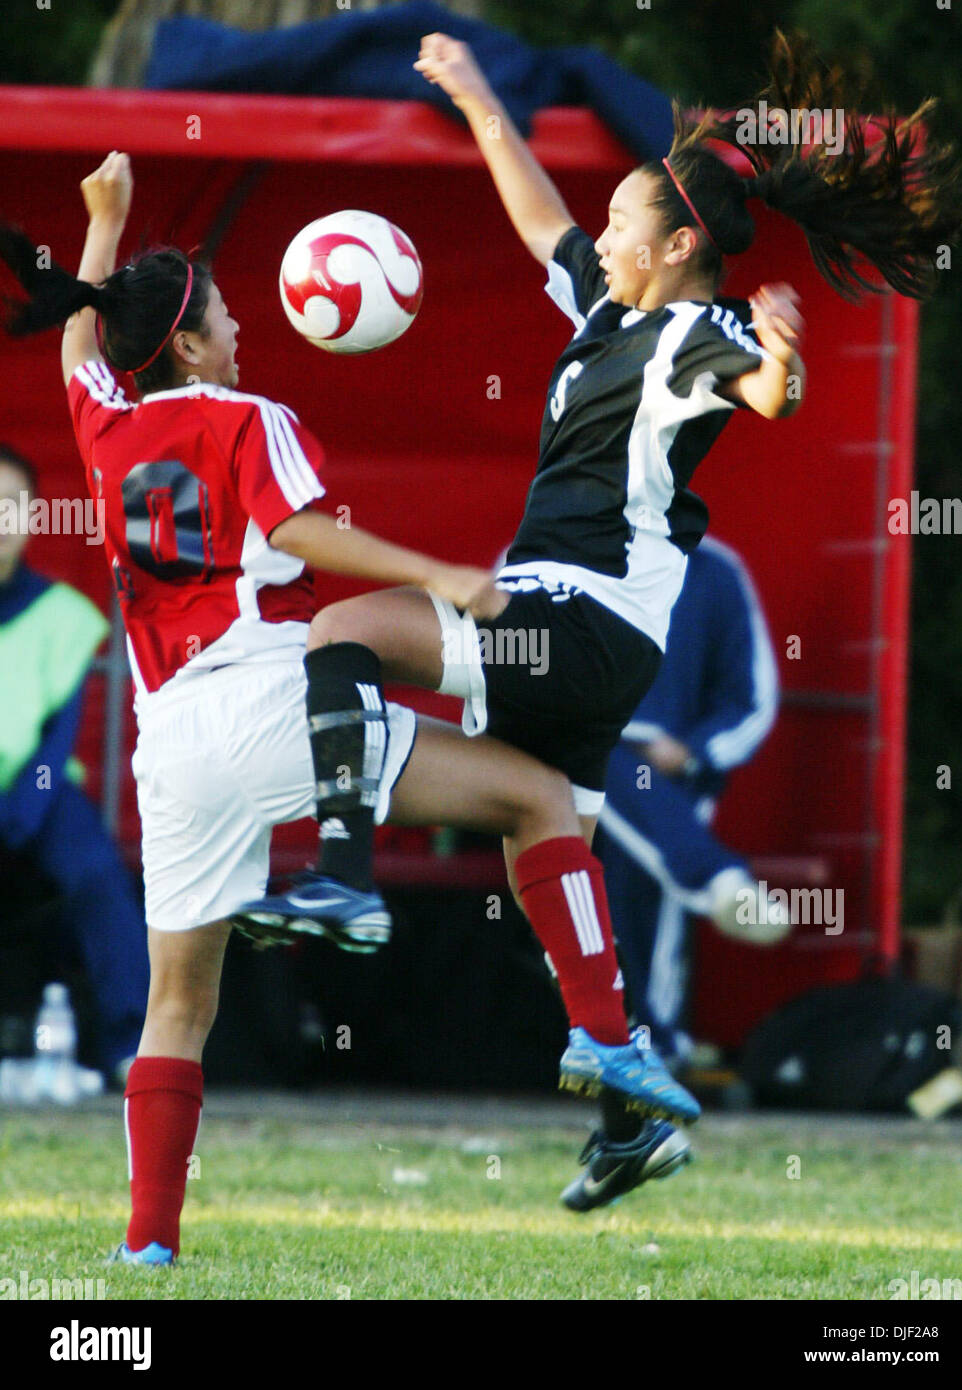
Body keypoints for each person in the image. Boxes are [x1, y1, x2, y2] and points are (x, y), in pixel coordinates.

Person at [241, 29, 962, 1212]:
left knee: (342, 634)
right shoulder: (603, 312)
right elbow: (540, 223)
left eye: (623, 217)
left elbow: (763, 391)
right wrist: (477, 97)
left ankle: (340, 877)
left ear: (678, 246)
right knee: (537, 817)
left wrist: (779, 358)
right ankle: (625, 1094)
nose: (604, 231)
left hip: (565, 623)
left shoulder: (690, 331)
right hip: (595, 649)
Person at [0, 149, 698, 1264]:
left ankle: (146, 1250)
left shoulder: (106, 427)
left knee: (176, 1005)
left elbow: (79, 349)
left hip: (170, 742)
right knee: (532, 795)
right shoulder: (243, 417)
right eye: (224, 315)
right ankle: (581, 1026)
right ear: (187, 345)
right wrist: (449, 577)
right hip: (273, 698)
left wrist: (103, 229)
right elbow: (297, 535)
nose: (241, 328)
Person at [597, 535, 788, 1071]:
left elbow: (749, 701)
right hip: (557, 760)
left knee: (635, 843)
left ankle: (638, 1043)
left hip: (670, 772)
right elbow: (501, 665)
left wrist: (692, 750)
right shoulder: (543, 550)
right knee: (603, 758)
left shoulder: (714, 571)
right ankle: (655, 1041)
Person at [0, 443, 148, 1084]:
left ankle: (135, 1046)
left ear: (32, 518)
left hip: (36, 791)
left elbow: (53, 749)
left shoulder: (61, 616)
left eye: (9, 507)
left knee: (94, 874)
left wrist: (19, 814)